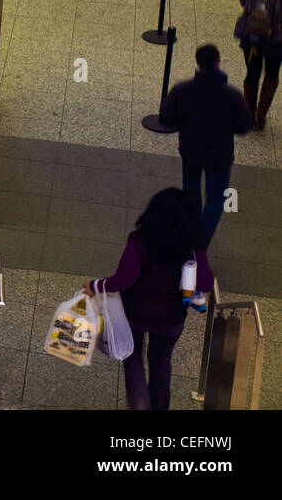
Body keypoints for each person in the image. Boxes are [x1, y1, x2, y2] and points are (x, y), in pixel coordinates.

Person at [84, 188, 211, 410]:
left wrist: (95, 285)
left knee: (132, 360)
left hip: (134, 314)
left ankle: (139, 406)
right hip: (171, 319)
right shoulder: (193, 245)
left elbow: (122, 280)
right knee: (161, 363)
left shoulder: (139, 241)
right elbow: (206, 283)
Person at [158, 44, 253, 245]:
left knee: (191, 191)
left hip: (191, 151)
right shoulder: (233, 96)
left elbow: (166, 118)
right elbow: (244, 126)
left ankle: (190, 232)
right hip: (220, 155)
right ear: (218, 62)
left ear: (198, 63)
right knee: (216, 200)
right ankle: (200, 242)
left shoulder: (182, 90)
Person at [234, 0, 282, 130]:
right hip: (276, 41)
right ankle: (261, 116)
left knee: (252, 73)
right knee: (271, 75)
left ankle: (249, 113)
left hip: (251, 38)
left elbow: (242, 1)